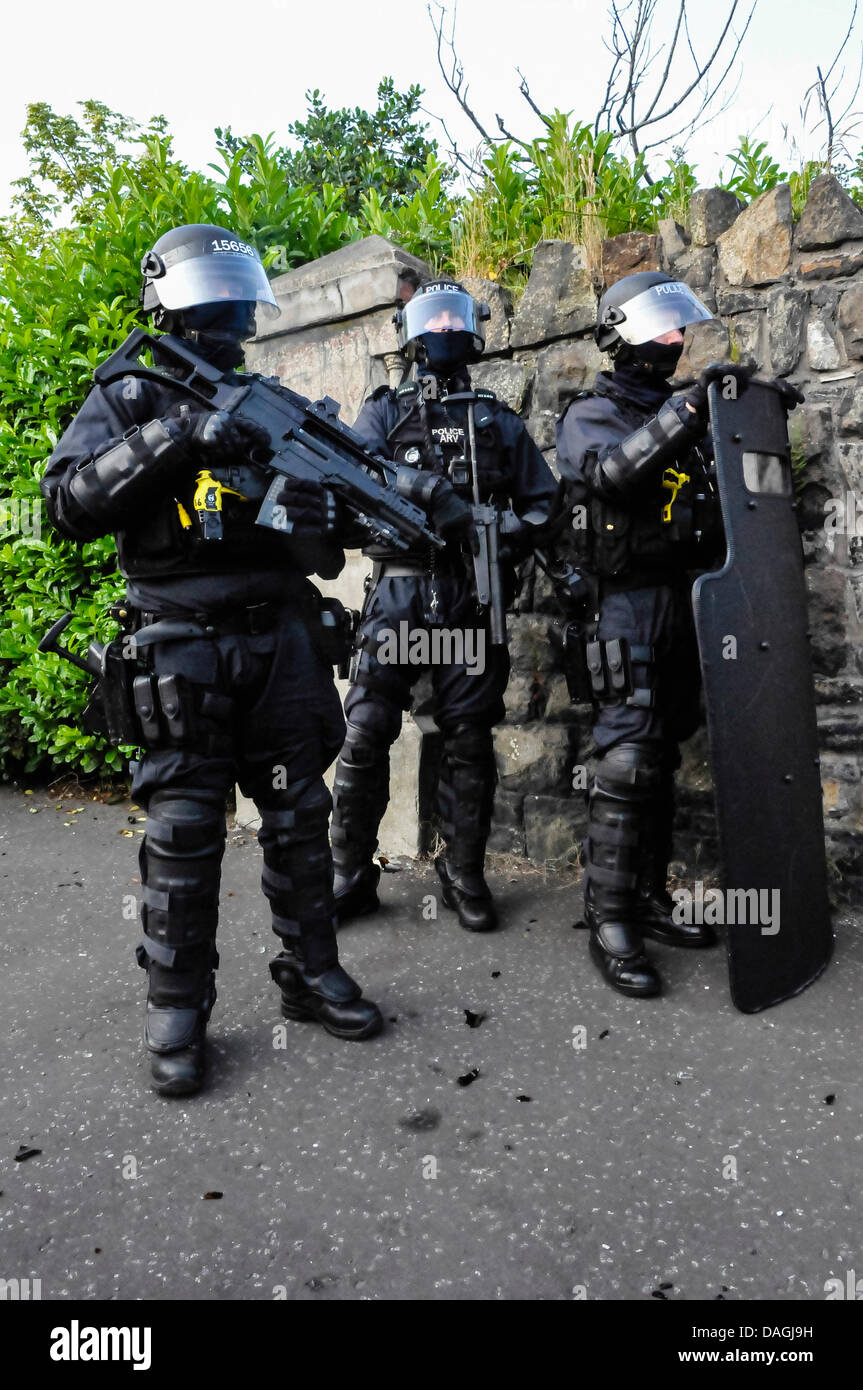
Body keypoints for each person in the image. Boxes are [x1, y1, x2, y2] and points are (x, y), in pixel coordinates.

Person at [40, 223, 382, 1098]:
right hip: (180, 645)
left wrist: (325, 509)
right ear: (172, 295)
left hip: (278, 640)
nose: (230, 313)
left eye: (239, 298)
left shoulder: (265, 399)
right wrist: (180, 438)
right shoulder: (127, 392)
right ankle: (178, 1010)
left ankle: (310, 974)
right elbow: (69, 507)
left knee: (301, 821)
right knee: (185, 834)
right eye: (214, 296)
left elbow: (321, 546)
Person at [330, 278, 557, 933]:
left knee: (467, 737)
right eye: (430, 317)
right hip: (399, 590)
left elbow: (542, 509)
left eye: (453, 317)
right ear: (409, 331)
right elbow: (347, 486)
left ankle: (462, 872)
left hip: (468, 591)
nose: (443, 329)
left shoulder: (495, 419)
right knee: (367, 728)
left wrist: (488, 529)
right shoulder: (383, 412)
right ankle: (349, 871)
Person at [555, 270, 752, 998]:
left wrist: (747, 414)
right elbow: (614, 475)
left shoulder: (681, 410)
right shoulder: (590, 412)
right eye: (662, 330)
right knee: (627, 756)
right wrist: (692, 410)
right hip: (625, 603)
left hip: (686, 597)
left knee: (663, 753)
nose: (676, 341)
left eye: (680, 330)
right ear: (621, 335)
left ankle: (646, 897)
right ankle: (608, 916)